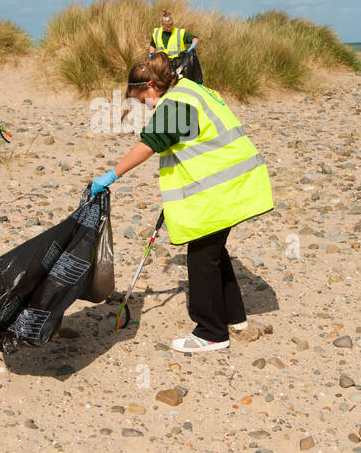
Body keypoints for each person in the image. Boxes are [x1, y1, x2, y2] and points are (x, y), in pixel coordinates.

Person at [89, 54, 272, 353]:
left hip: (224, 187)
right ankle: (234, 318)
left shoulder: (175, 103)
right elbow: (191, 141)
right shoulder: (192, 89)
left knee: (201, 257)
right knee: (213, 252)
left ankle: (211, 333)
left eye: (142, 98)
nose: (145, 106)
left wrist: (111, 175)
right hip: (237, 182)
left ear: (151, 85)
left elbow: (148, 145)